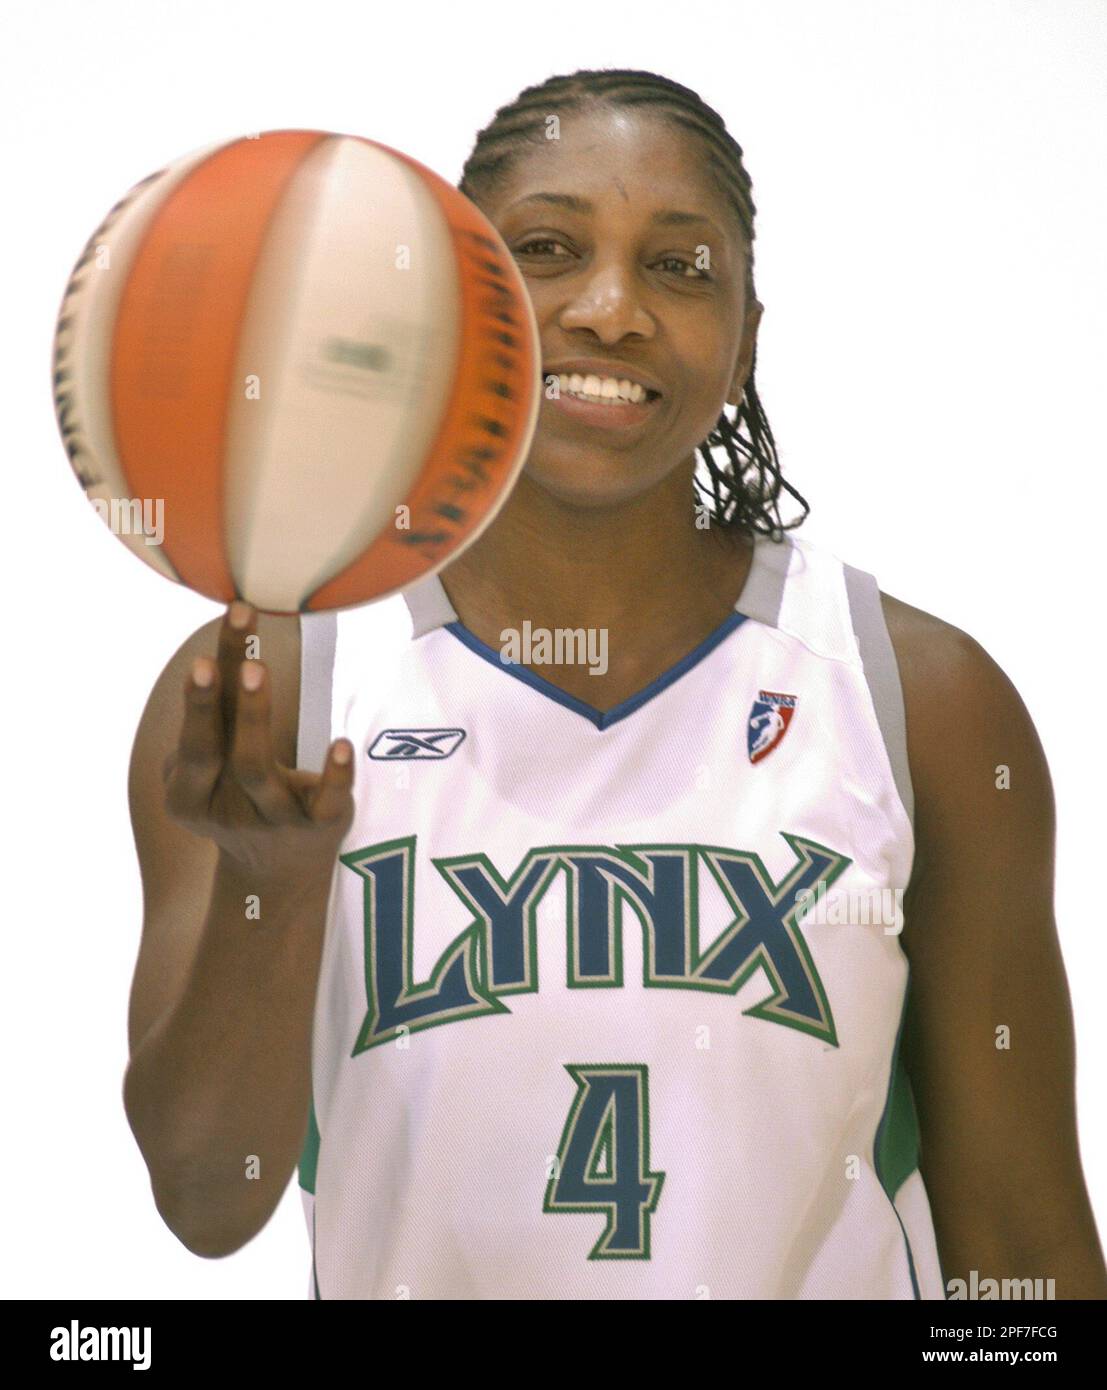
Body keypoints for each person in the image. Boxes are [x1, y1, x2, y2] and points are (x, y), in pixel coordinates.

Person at [123, 68, 1107, 1300]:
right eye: (544, 250)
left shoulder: (918, 697)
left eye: (681, 268)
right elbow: (208, 1196)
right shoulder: (285, 685)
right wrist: (270, 889)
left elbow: (1024, 1256)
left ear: (744, 343)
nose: (611, 308)